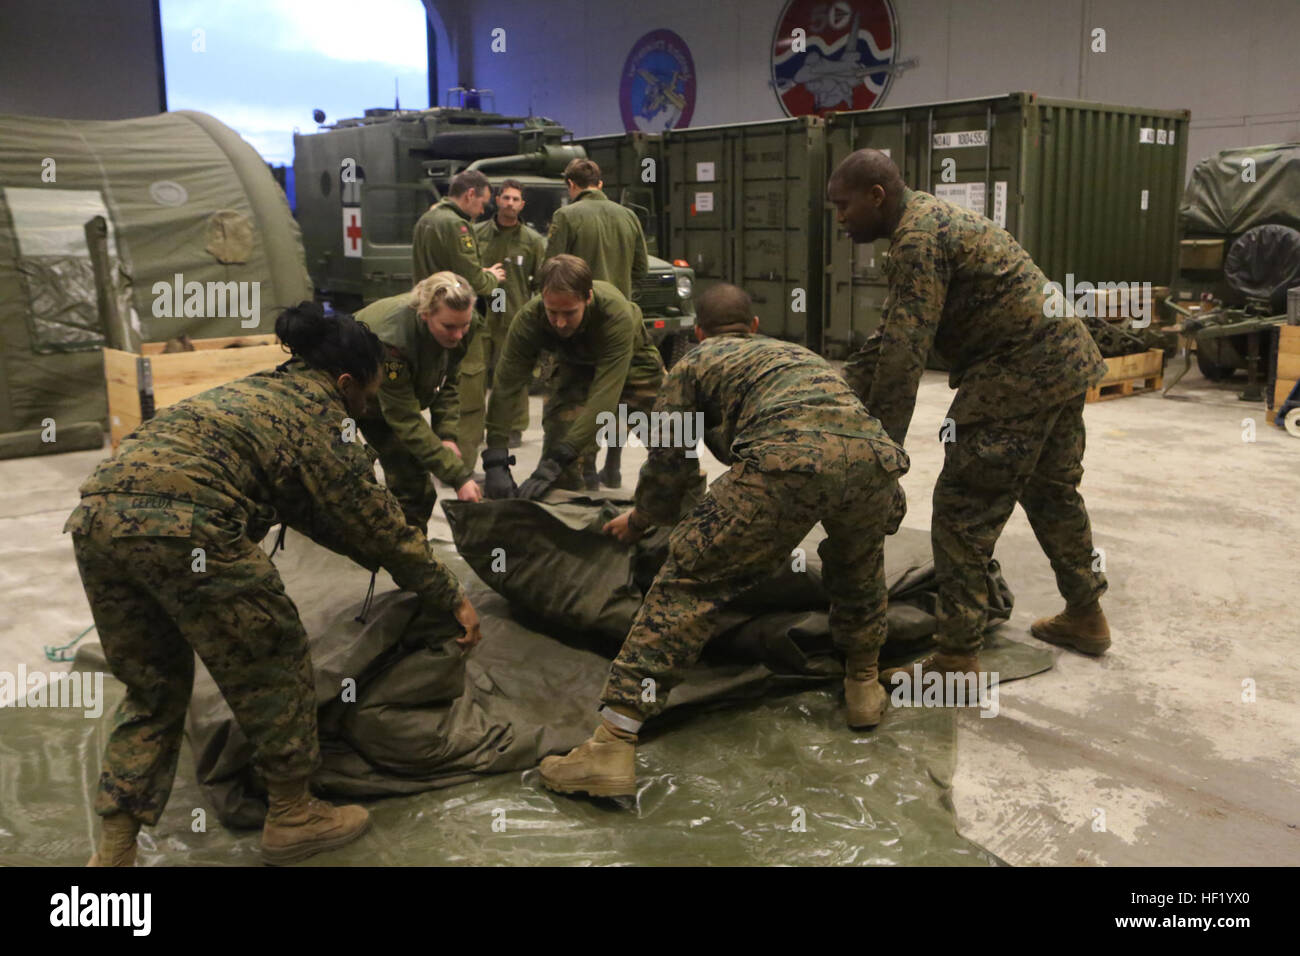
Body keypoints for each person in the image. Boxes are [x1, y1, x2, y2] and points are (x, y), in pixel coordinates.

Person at [64, 303, 481, 867]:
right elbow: (378, 526)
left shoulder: (255, 394)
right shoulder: (323, 421)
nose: (370, 403)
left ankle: (116, 847)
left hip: (97, 520)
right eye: (369, 391)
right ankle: (292, 813)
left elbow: (320, 514)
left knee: (153, 685)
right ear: (345, 383)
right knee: (275, 657)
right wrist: (449, 594)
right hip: (190, 526)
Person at [537, 284, 909, 799]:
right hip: (876, 462)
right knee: (859, 563)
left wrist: (643, 519)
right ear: (754, 326)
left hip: (787, 459)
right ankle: (863, 685)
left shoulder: (693, 362)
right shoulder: (798, 355)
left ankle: (613, 742)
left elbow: (670, 458)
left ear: (698, 332)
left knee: (687, 580)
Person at [825, 148, 1112, 683]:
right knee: (1052, 493)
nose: (840, 218)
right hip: (1064, 360)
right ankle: (1086, 615)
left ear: (876, 196)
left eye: (843, 207)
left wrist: (881, 457)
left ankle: (957, 658)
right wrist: (832, 388)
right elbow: (891, 333)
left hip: (1017, 371)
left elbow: (905, 358)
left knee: (962, 509)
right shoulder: (928, 220)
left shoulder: (916, 239)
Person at [480, 255, 663, 499]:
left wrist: (561, 455)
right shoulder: (529, 319)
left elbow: (604, 397)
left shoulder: (614, 315)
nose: (560, 322)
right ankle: (576, 515)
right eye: (552, 312)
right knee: (562, 467)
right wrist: (495, 457)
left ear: (587, 297)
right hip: (574, 366)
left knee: (677, 444)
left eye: (569, 312)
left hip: (633, 364)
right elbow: (506, 385)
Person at [546, 158, 652, 486]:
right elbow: (641, 269)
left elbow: (550, 273)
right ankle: (615, 467)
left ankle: (588, 471)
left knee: (582, 396)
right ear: (600, 183)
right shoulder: (628, 215)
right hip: (621, 320)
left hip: (581, 323)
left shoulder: (566, 216)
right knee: (618, 395)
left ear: (571, 185)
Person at [355, 271, 484, 530]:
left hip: (390, 397)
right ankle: (402, 550)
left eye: (464, 325)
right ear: (425, 314)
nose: (458, 335)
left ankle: (409, 545)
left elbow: (447, 381)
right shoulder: (393, 343)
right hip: (348, 395)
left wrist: (446, 435)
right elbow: (404, 418)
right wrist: (458, 477)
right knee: (398, 480)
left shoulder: (463, 323)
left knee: (415, 486)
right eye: (449, 327)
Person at [411, 169, 507, 471]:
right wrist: (492, 277)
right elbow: (474, 281)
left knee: (438, 396)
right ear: (470, 194)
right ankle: (460, 468)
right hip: (458, 322)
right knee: (469, 402)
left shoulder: (427, 219)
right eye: (482, 203)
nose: (482, 210)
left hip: (430, 319)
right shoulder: (458, 227)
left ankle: (438, 459)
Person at [475, 179, 547, 448]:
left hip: (513, 313)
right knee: (475, 374)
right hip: (482, 314)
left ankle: (514, 427)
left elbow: (540, 282)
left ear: (522, 204)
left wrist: (536, 314)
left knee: (513, 373)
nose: (510, 203)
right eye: (506, 198)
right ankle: (474, 426)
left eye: (515, 199)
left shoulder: (532, 241)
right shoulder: (477, 234)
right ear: (497, 200)